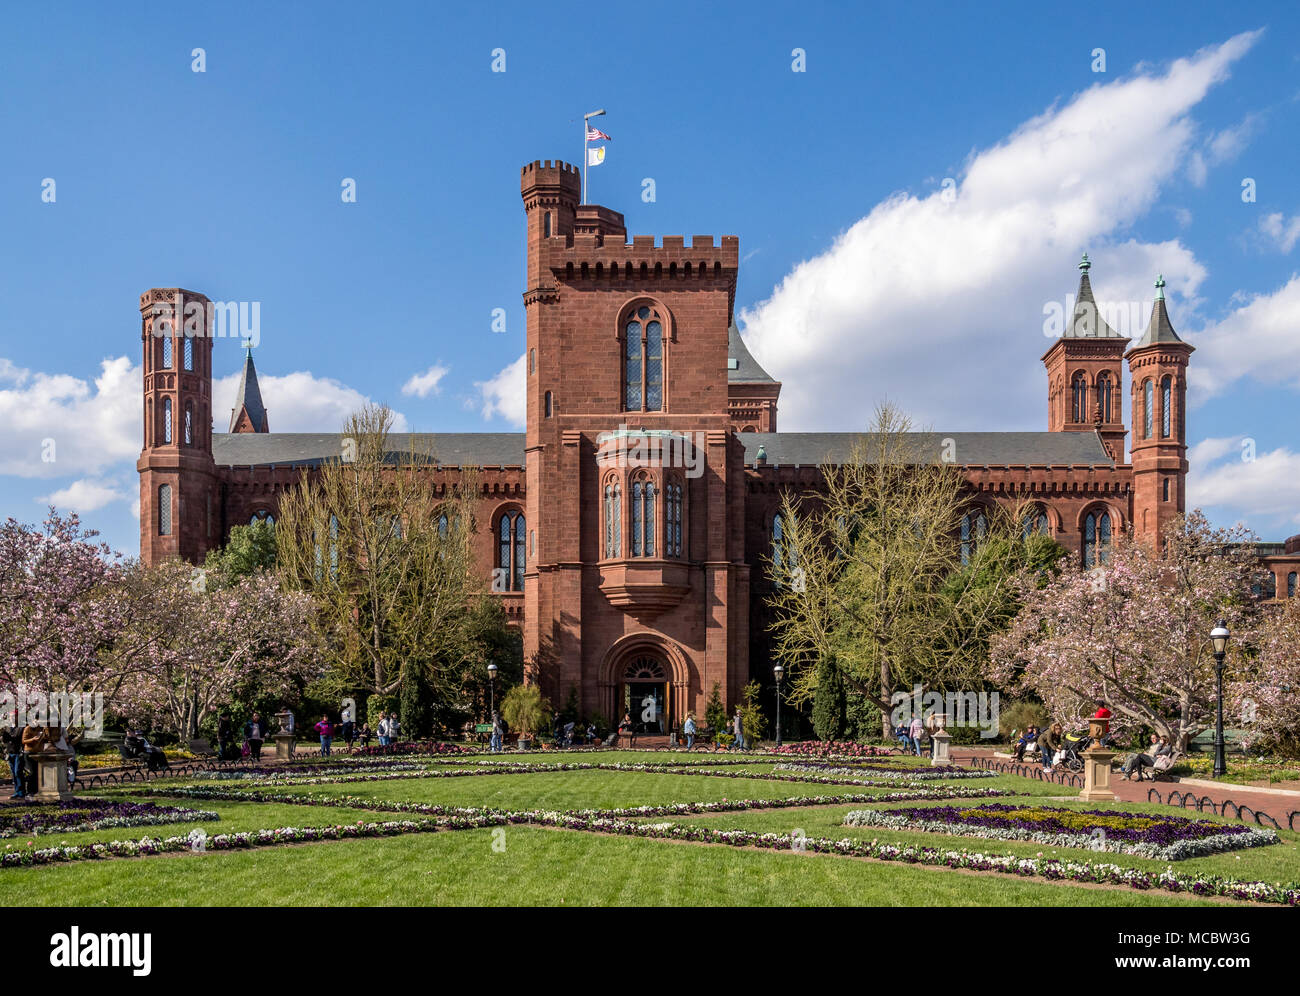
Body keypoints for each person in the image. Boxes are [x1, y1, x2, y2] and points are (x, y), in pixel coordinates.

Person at [2, 720, 25, 799]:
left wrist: (10, 737)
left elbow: (19, 738)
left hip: (18, 752)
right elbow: (5, 740)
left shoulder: (21, 727)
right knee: (13, 773)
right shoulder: (7, 728)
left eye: (13, 716)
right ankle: (17, 791)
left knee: (17, 772)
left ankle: (21, 791)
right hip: (10, 752)